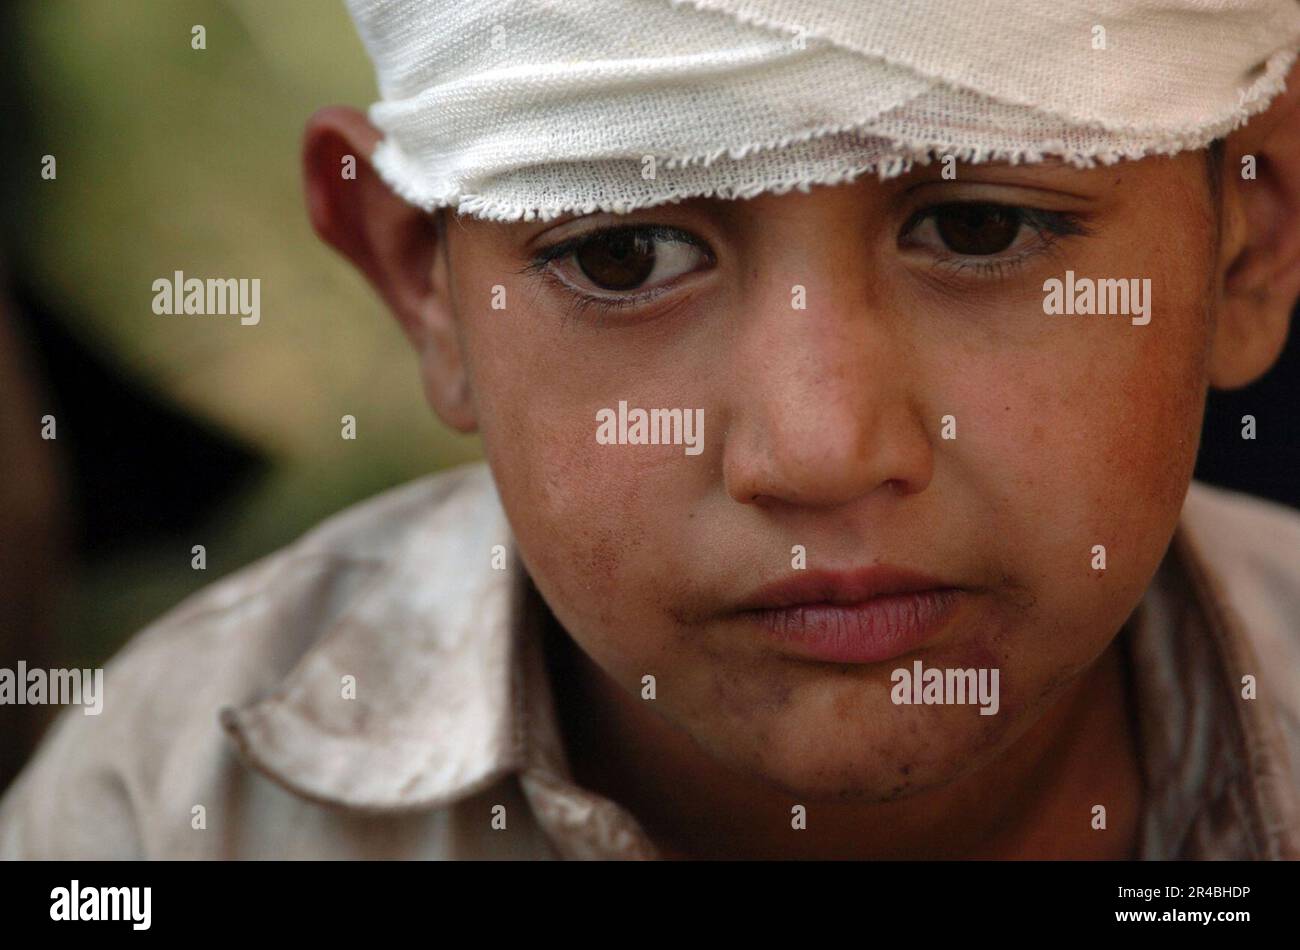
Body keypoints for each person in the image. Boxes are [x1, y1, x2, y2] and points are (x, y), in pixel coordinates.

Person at [3, 0, 1300, 860]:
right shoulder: (167, 808)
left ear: (1252, 239)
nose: (820, 448)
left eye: (977, 227)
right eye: (624, 255)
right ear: (426, 293)